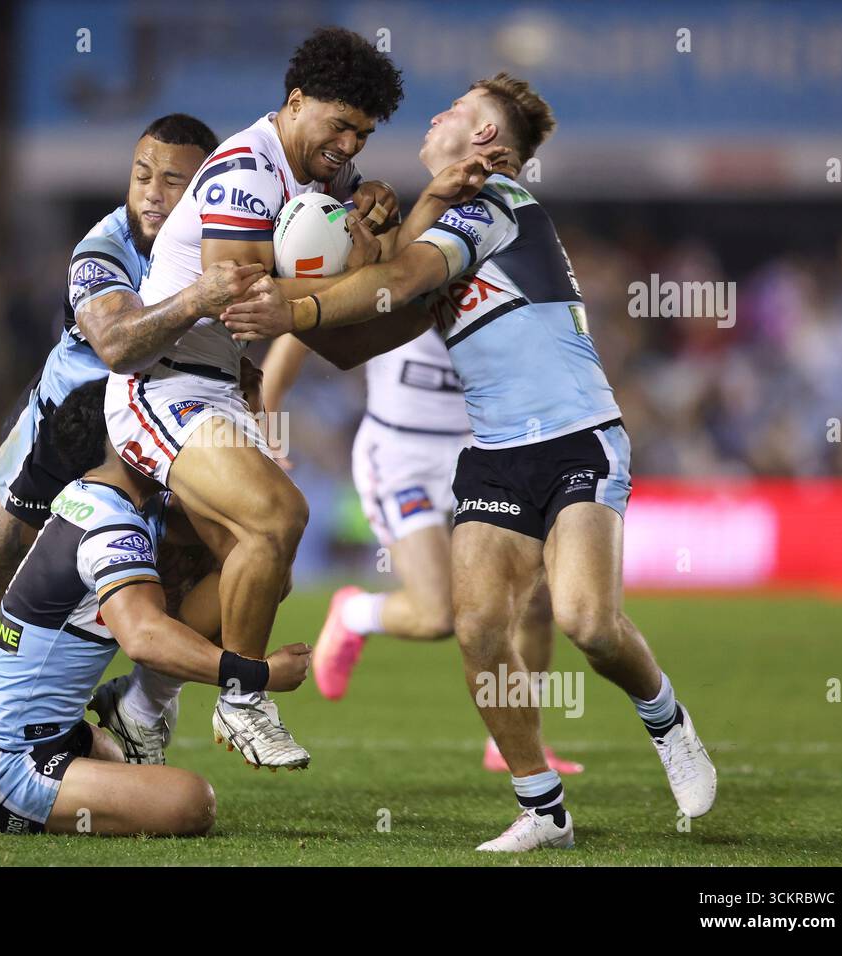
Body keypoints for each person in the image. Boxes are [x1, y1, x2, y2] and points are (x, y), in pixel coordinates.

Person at [219, 73, 716, 850]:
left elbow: (401, 281)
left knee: (586, 619)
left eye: (456, 110)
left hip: (576, 437)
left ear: (485, 140)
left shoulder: (495, 207)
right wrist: (368, 226)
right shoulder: (446, 212)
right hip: (491, 451)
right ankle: (542, 809)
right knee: (480, 629)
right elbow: (379, 285)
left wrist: (293, 304)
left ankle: (668, 722)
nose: (438, 114)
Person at [0, 114, 265, 764]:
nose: (150, 193)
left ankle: (147, 702)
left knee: (239, 547)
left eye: (172, 181)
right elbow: (118, 343)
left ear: (207, 189)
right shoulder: (105, 246)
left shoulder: (230, 240)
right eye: (141, 174)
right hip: (65, 437)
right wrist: (200, 298)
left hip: (150, 447)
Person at [99, 27, 410, 770]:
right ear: (295, 102)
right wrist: (355, 268)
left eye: (362, 135)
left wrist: (371, 225)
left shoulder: (318, 182)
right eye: (337, 125)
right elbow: (240, 298)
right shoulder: (245, 168)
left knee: (255, 562)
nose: (347, 145)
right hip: (159, 381)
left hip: (216, 390)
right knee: (282, 514)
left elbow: (333, 316)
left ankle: (141, 703)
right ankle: (242, 701)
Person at [0, 378, 310, 835]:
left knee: (257, 567)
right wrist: (257, 674)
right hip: (12, 755)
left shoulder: (125, 500)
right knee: (191, 803)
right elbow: (144, 637)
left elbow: (248, 533)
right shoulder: (109, 524)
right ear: (120, 438)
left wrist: (250, 414)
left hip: (33, 731)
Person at [260, 332, 583, 775]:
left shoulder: (486, 278)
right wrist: (268, 430)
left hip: (480, 451)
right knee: (437, 617)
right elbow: (296, 338)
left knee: (535, 603)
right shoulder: (389, 287)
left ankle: (511, 738)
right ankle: (357, 612)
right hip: (400, 456)